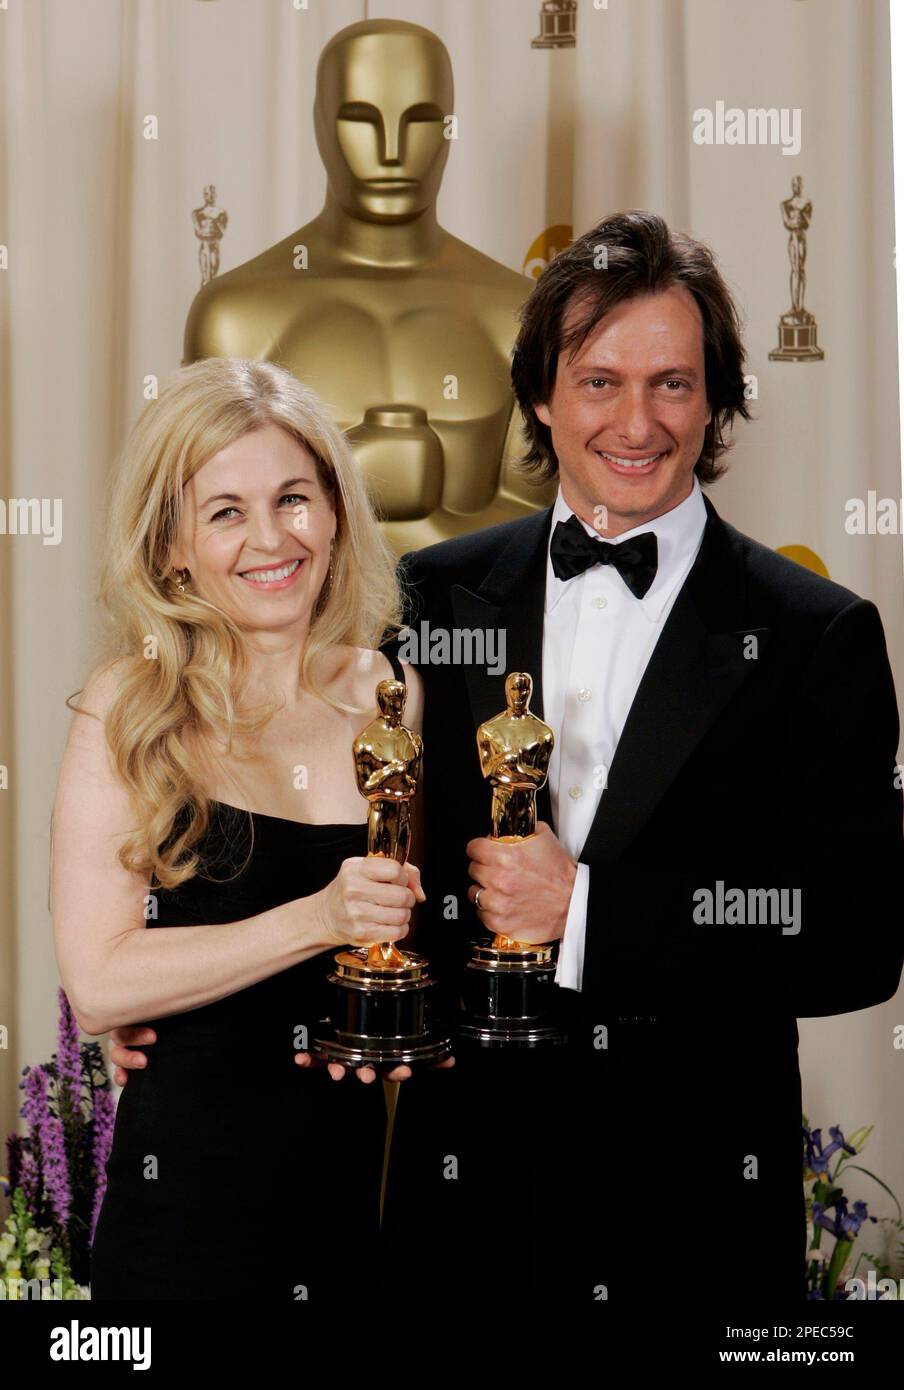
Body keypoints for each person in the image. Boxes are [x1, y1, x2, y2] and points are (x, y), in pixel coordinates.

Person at [378, 210, 904, 1302]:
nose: (637, 419)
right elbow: (373, 837)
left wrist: (587, 911)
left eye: (672, 382)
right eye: (599, 380)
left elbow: (853, 940)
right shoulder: (428, 592)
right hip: (464, 1209)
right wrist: (192, 1003)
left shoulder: (816, 634)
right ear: (539, 395)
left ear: (713, 400)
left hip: (691, 1214)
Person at [51, 357, 431, 1300]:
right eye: (224, 511)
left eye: (294, 498)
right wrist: (316, 919)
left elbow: (395, 947)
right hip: (183, 1214)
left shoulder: (390, 696)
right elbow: (98, 982)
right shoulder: (129, 705)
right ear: (171, 544)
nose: (271, 537)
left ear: (336, 511)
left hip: (349, 1194)